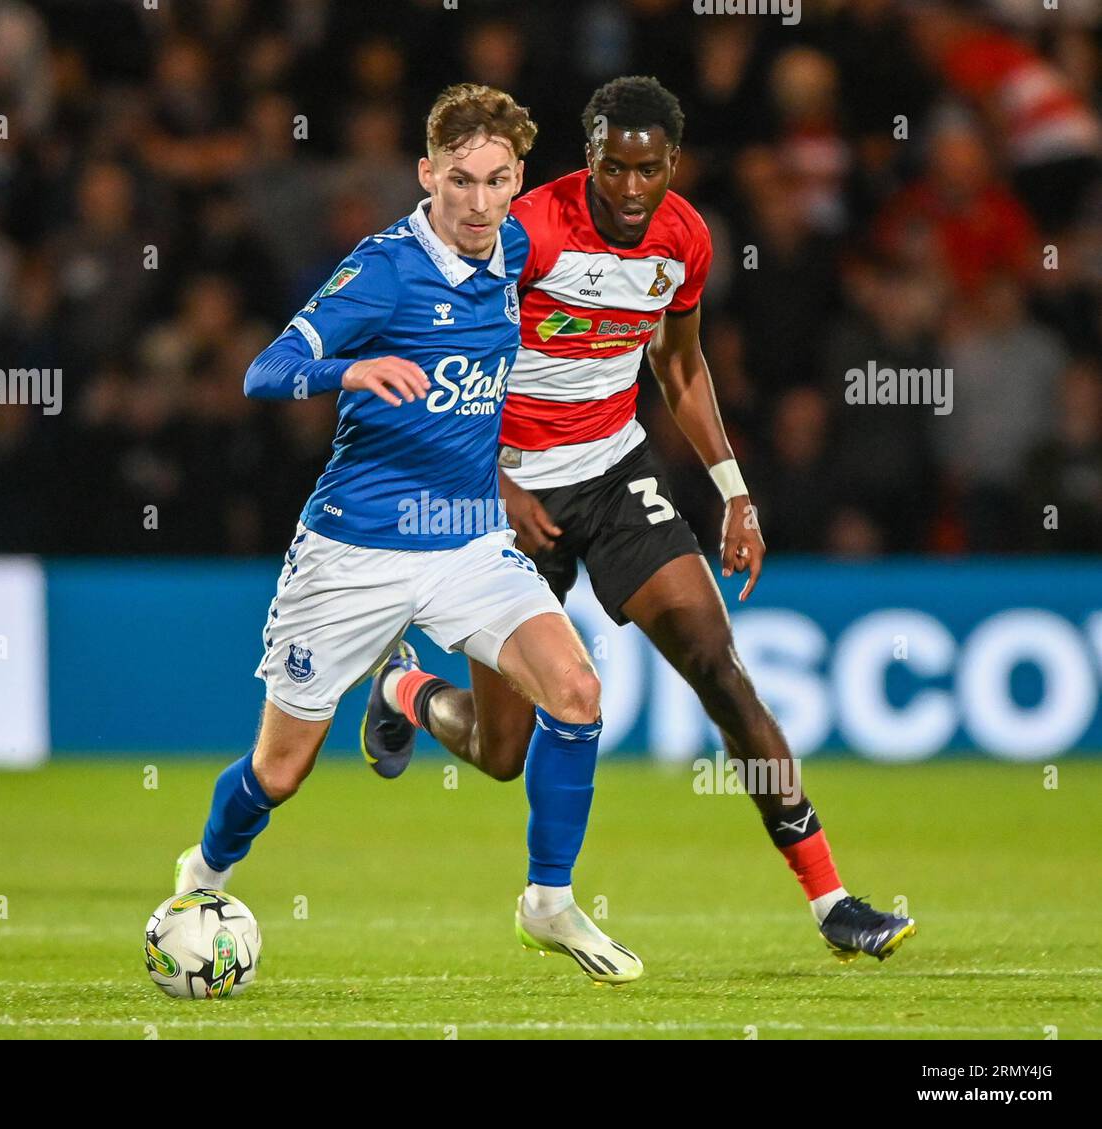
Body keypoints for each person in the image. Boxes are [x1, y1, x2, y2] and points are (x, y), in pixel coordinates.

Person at [363, 76, 916, 965]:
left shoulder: (685, 240)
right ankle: (403, 689)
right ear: (588, 159)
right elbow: (436, 353)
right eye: (613, 167)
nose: (629, 188)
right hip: (503, 490)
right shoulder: (527, 231)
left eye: (647, 169)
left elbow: (681, 365)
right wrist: (494, 479)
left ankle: (831, 898)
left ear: (672, 167)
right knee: (503, 751)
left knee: (719, 665)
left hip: (614, 474)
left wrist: (734, 488)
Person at [175, 84, 643, 984]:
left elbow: (614, 222)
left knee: (576, 691)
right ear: (426, 175)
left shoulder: (514, 247)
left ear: (517, 182)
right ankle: (204, 874)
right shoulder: (385, 268)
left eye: (496, 181)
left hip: (468, 544)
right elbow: (264, 371)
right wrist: (353, 370)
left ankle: (547, 902)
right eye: (459, 181)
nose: (477, 203)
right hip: (355, 554)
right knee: (278, 772)